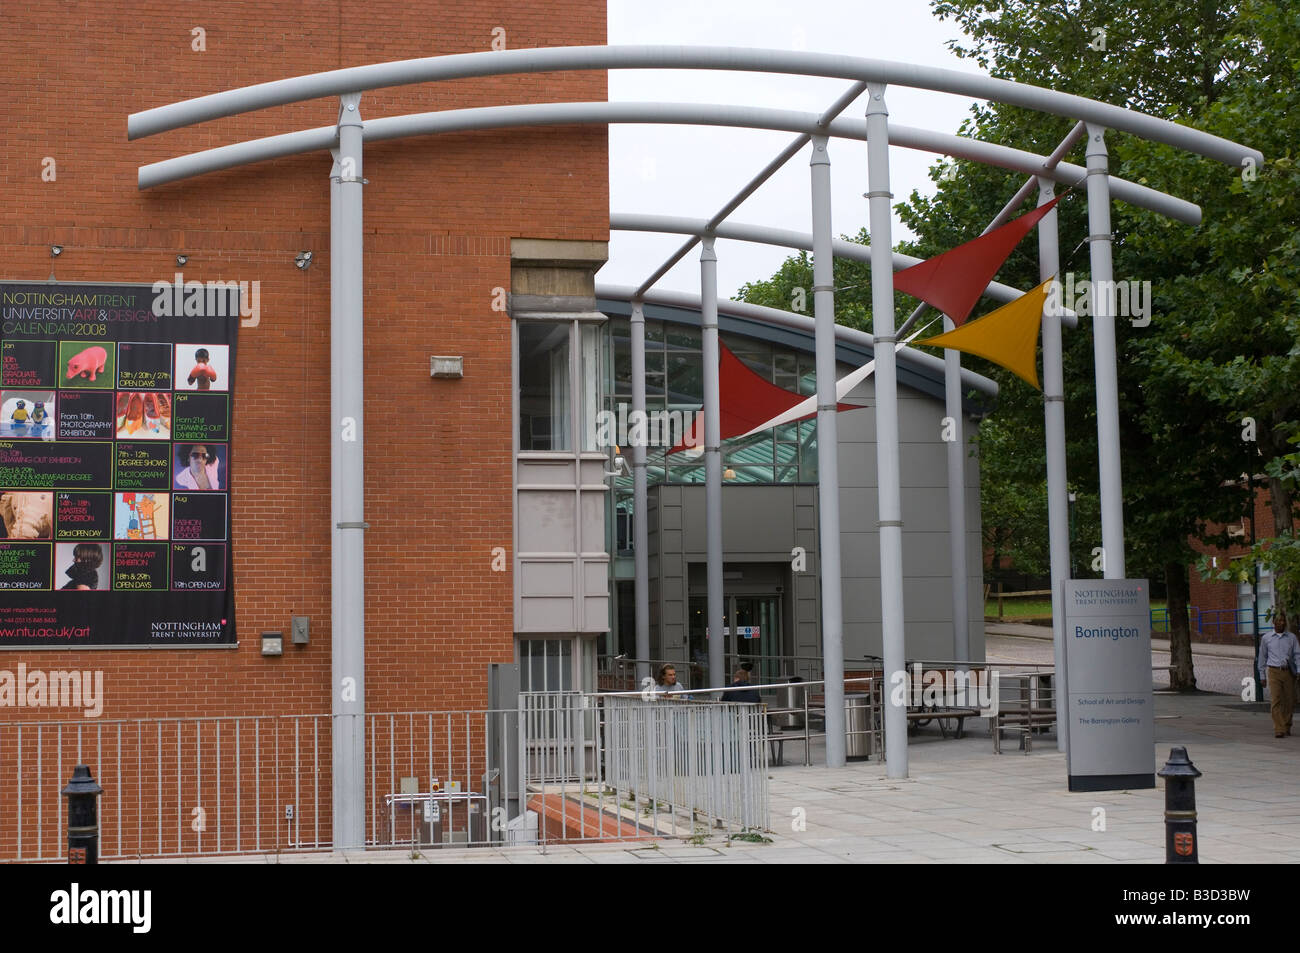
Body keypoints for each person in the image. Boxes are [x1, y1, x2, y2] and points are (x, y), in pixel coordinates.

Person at [1258, 610, 1300, 738]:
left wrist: (1299, 670)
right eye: (1278, 621)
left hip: (1288, 672)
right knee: (1276, 700)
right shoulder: (1266, 638)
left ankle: (1286, 724)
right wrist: (1262, 676)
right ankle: (1279, 728)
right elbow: (1262, 657)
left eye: (1283, 621)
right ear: (1273, 622)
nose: (1281, 623)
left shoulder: (1291, 637)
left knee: (1289, 701)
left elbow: (1297, 655)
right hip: (1274, 671)